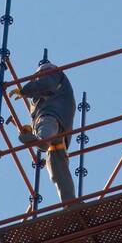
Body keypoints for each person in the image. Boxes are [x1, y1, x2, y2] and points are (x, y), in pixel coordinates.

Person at [13, 58, 77, 203]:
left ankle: (42, 141)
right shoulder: (38, 99)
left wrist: (25, 90)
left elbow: (45, 84)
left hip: (52, 117)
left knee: (46, 130)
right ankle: (70, 202)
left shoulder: (52, 73)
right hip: (59, 131)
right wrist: (30, 130)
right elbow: (36, 118)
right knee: (57, 169)